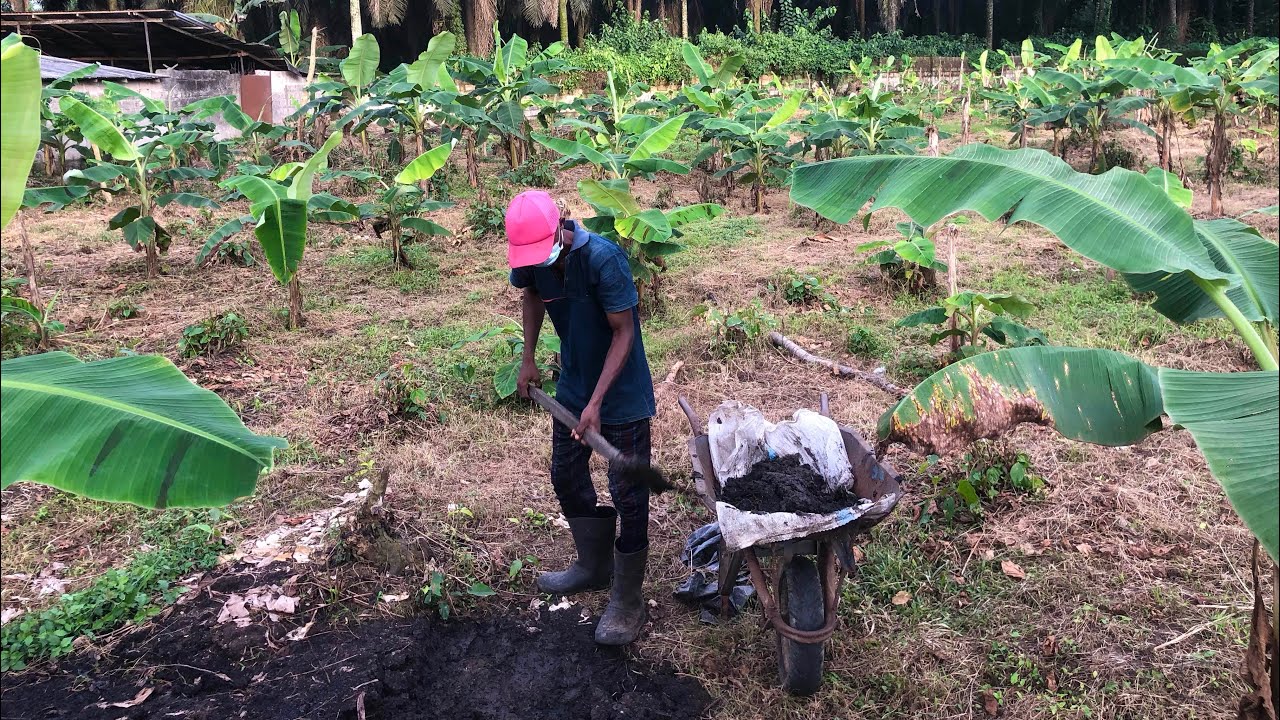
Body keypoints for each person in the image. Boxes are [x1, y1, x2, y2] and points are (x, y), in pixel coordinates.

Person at [505, 190, 656, 646]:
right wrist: (528, 357)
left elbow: (624, 331)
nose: (535, 262)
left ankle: (629, 599)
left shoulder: (604, 260)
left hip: (621, 394)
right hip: (572, 387)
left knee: (628, 494)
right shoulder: (531, 259)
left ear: (560, 228)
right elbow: (531, 294)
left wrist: (597, 404)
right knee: (566, 474)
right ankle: (593, 565)